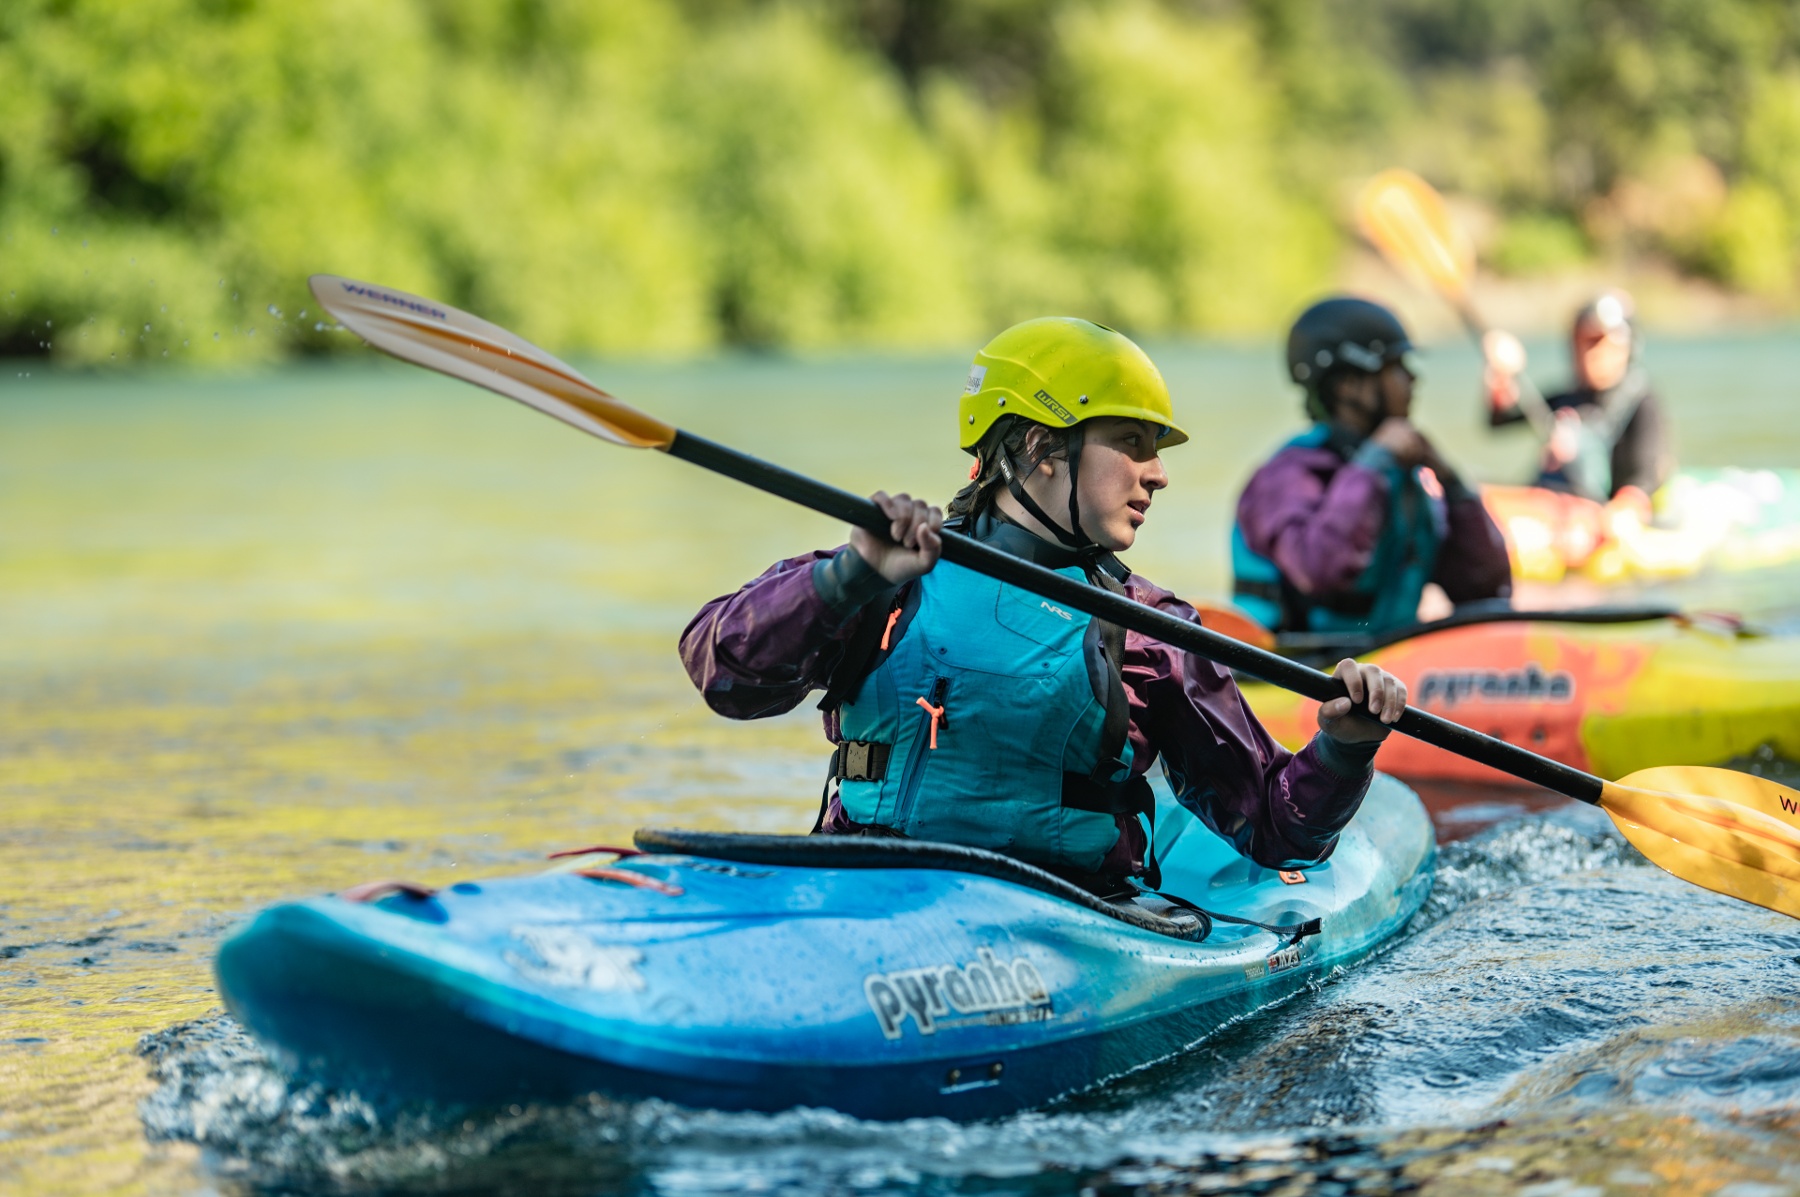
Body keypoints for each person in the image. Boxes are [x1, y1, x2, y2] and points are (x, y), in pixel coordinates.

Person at [681, 317, 1409, 893]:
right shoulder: (888, 576)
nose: (1157, 473)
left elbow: (1279, 829)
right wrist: (849, 576)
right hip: (867, 889)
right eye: (1131, 442)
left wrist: (1344, 747)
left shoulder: (1150, 631)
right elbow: (722, 674)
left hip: (1063, 917)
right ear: (1041, 447)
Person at [1233, 296, 1512, 636]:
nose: (1413, 378)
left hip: (1385, 662)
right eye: (1396, 366)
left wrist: (1453, 485)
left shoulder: (1405, 480)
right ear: (1349, 386)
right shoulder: (1284, 478)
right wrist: (1372, 463)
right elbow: (1318, 569)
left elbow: (1486, 591)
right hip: (1300, 663)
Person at [1482, 291, 1674, 504]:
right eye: (1586, 342)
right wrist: (1502, 376)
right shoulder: (1564, 399)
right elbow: (1499, 420)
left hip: (1606, 508)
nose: (1594, 353)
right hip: (1554, 504)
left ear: (1627, 347)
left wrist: (1627, 506)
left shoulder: (1640, 400)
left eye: (1602, 342)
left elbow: (1646, 474)